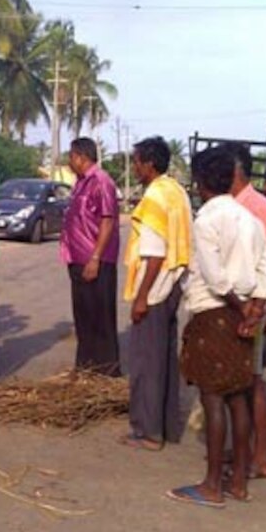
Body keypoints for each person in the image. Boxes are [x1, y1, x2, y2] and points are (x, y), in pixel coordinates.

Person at [168, 146, 266, 508]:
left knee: (213, 397)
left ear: (200, 183)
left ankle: (213, 485)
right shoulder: (251, 219)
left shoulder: (207, 220)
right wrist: (255, 308)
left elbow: (214, 277)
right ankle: (239, 483)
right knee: (238, 397)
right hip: (244, 315)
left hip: (216, 313)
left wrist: (242, 306)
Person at [120, 136, 193, 450]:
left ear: (149, 164)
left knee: (146, 363)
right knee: (164, 360)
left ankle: (148, 432)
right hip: (175, 285)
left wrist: (141, 297)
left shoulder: (153, 198)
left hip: (156, 288)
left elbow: (154, 253)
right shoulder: (176, 191)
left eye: (136, 161)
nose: (134, 167)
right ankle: (166, 426)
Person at [227, 143, 266, 479]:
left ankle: (260, 457)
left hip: (252, 307)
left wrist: (261, 308)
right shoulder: (236, 205)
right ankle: (245, 450)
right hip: (239, 306)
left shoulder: (258, 208)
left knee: (252, 382)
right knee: (242, 382)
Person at [61, 137, 121, 377]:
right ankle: (86, 368)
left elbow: (108, 220)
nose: (69, 161)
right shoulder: (80, 183)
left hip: (96, 261)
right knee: (84, 319)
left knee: (100, 319)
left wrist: (95, 257)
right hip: (77, 259)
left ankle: (106, 372)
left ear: (81, 157)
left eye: (71, 156)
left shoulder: (101, 181)